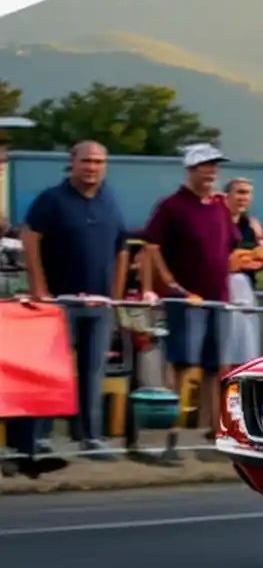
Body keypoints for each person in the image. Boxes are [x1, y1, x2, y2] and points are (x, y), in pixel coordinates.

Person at [16, 140, 127, 462]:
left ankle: (90, 438)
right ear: (73, 163)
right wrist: (39, 288)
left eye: (98, 162)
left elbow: (122, 247)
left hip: (99, 305)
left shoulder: (111, 200)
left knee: (93, 372)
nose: (92, 167)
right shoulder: (51, 200)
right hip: (59, 303)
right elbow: (30, 237)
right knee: (53, 373)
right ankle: (41, 438)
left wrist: (115, 298)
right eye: (87, 161)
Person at [139, 143, 241, 443]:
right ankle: (168, 434)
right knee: (181, 364)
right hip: (185, 299)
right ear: (191, 169)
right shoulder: (171, 206)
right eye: (205, 166)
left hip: (218, 298)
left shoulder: (221, 207)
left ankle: (216, 429)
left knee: (216, 366)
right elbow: (151, 245)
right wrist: (167, 281)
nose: (211, 172)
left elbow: (232, 246)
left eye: (214, 166)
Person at [224, 177, 263, 363]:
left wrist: (249, 256)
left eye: (248, 193)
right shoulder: (218, 222)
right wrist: (242, 257)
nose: (244, 198)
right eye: (240, 192)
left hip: (247, 288)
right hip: (224, 289)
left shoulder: (251, 224)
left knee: (246, 344)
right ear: (227, 195)